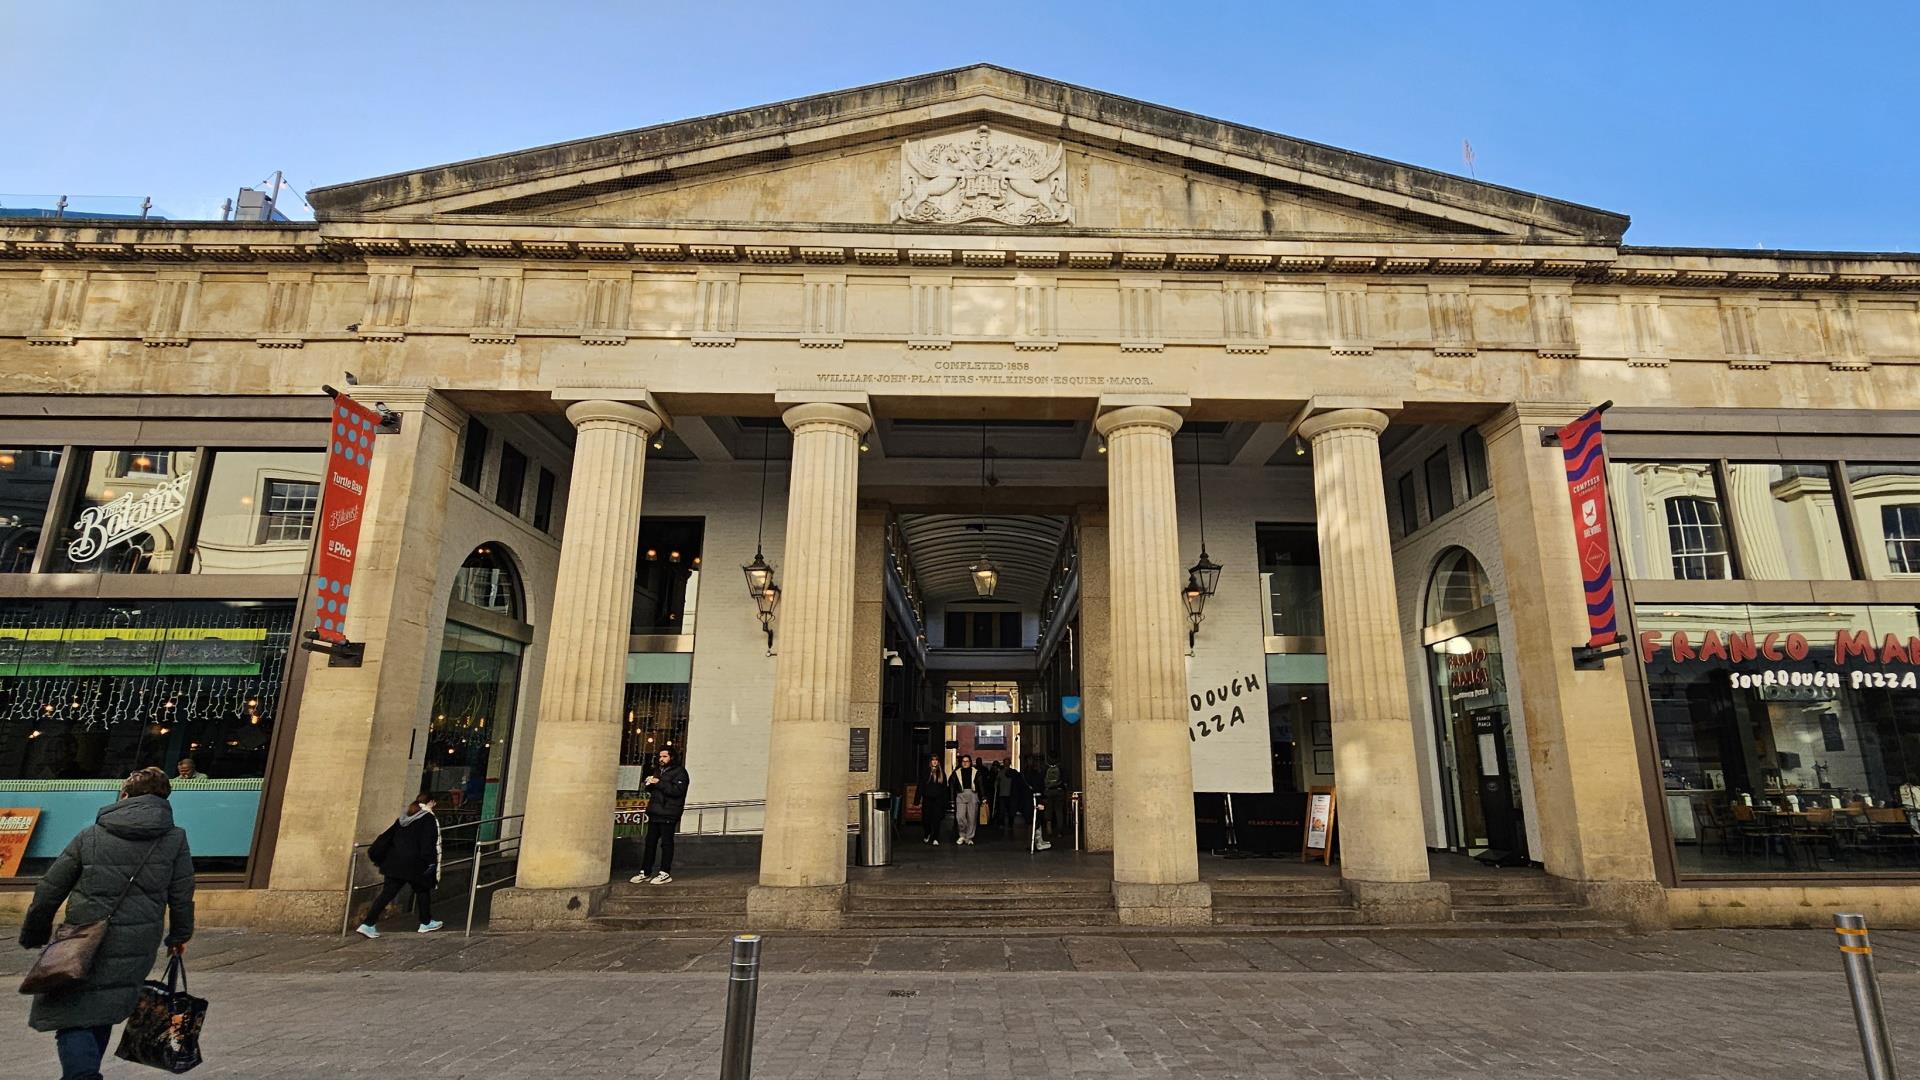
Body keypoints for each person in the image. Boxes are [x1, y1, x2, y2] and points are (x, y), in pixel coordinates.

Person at [20, 766, 195, 1080]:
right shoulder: (175, 839)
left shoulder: (91, 835)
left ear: (124, 795)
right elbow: (182, 894)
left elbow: (50, 887)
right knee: (102, 1009)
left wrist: (36, 930)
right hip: (137, 941)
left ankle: (84, 1076)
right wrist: (179, 936)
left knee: (73, 1015)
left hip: (82, 938)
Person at [354, 795, 442, 939]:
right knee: (422, 890)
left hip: (395, 863)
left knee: (388, 893)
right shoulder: (428, 818)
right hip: (415, 863)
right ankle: (425, 922)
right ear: (430, 802)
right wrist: (431, 862)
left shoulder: (403, 819)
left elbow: (385, 838)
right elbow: (428, 843)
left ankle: (368, 923)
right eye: (434, 802)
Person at [630, 747, 689, 885]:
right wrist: (649, 783)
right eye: (660, 756)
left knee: (666, 843)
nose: (661, 759)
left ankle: (665, 872)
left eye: (664, 756)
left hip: (669, 813)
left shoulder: (680, 772)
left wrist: (659, 783)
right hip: (655, 812)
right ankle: (645, 871)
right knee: (650, 843)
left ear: (672, 757)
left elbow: (677, 791)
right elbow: (654, 790)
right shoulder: (658, 771)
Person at [949, 754, 984, 846]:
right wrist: (952, 800)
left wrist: (983, 797)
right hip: (960, 795)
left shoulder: (976, 772)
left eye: (967, 761)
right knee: (960, 817)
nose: (965, 763)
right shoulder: (956, 773)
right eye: (963, 761)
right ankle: (962, 835)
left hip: (973, 794)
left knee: (972, 818)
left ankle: (969, 837)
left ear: (970, 762)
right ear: (961, 763)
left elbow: (981, 785)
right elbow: (952, 786)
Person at [917, 756, 949, 846]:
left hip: (938, 800)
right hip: (927, 799)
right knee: (926, 819)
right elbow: (921, 785)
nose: (934, 762)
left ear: (938, 762)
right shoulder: (926, 772)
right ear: (930, 762)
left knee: (937, 819)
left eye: (936, 760)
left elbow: (944, 789)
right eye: (933, 760)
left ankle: (935, 837)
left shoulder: (942, 773)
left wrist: (945, 802)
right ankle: (927, 833)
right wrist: (917, 799)